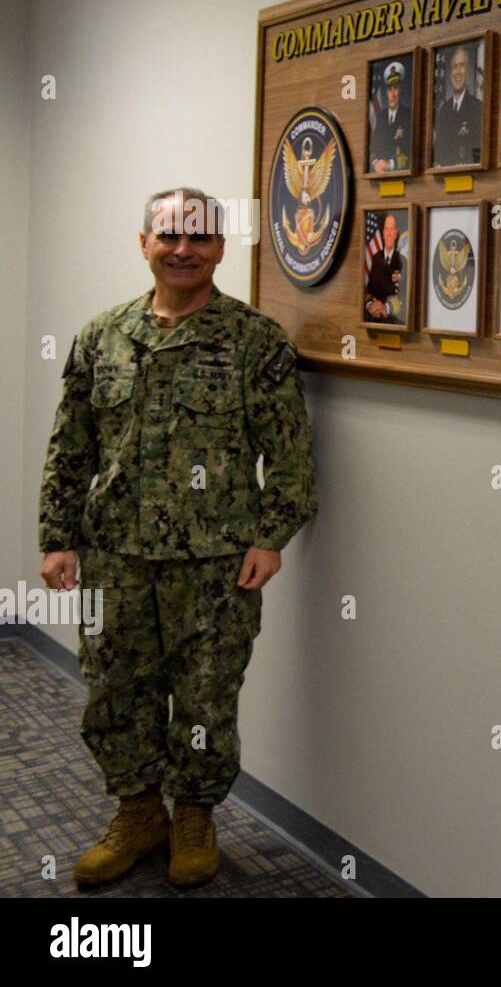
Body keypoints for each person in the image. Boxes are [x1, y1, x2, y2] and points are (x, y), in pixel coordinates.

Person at [39, 187, 319, 890]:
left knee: (206, 696)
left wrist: (270, 537)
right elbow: (71, 446)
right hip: (115, 556)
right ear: (144, 244)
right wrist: (58, 537)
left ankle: (194, 816)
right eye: (169, 235)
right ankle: (138, 813)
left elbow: (290, 454)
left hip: (215, 563)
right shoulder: (102, 337)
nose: (183, 249)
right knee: (114, 690)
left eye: (199, 236)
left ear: (221, 247)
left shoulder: (255, 342)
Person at [433, 44, 483, 167]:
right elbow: (438, 154)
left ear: (468, 71)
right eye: (454, 67)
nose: (458, 72)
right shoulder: (443, 111)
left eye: (462, 65)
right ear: (450, 73)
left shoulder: (478, 108)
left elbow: (479, 153)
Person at [369, 59, 411, 172]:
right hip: (380, 171)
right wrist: (375, 163)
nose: (392, 94)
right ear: (386, 92)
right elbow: (374, 146)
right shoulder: (381, 116)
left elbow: (410, 150)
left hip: (399, 171)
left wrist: (391, 165)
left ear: (400, 90)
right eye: (389, 89)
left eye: (395, 88)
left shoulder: (408, 115)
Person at [364, 212, 405, 323]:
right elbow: (368, 291)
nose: (389, 233)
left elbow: (405, 296)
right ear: (383, 233)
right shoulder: (376, 258)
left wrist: (386, 307)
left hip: (393, 319)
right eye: (386, 229)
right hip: (374, 318)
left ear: (396, 233)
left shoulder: (403, 262)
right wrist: (370, 305)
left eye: (392, 229)